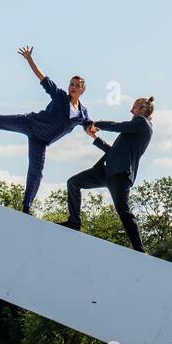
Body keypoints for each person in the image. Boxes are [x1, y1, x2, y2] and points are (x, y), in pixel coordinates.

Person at [0, 46, 92, 213]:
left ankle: (26, 207)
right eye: (71, 84)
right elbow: (42, 77)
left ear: (82, 90)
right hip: (29, 123)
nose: (73, 86)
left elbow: (88, 126)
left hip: (41, 141)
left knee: (36, 171)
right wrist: (29, 59)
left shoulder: (82, 113)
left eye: (77, 85)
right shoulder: (60, 96)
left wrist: (94, 132)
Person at [61, 97, 155, 252]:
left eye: (134, 107)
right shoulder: (135, 128)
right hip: (105, 171)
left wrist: (97, 124)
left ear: (143, 110)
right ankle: (74, 222)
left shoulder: (143, 124)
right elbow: (114, 152)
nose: (131, 110)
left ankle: (139, 250)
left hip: (120, 175)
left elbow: (117, 126)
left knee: (123, 211)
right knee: (73, 183)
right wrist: (95, 138)